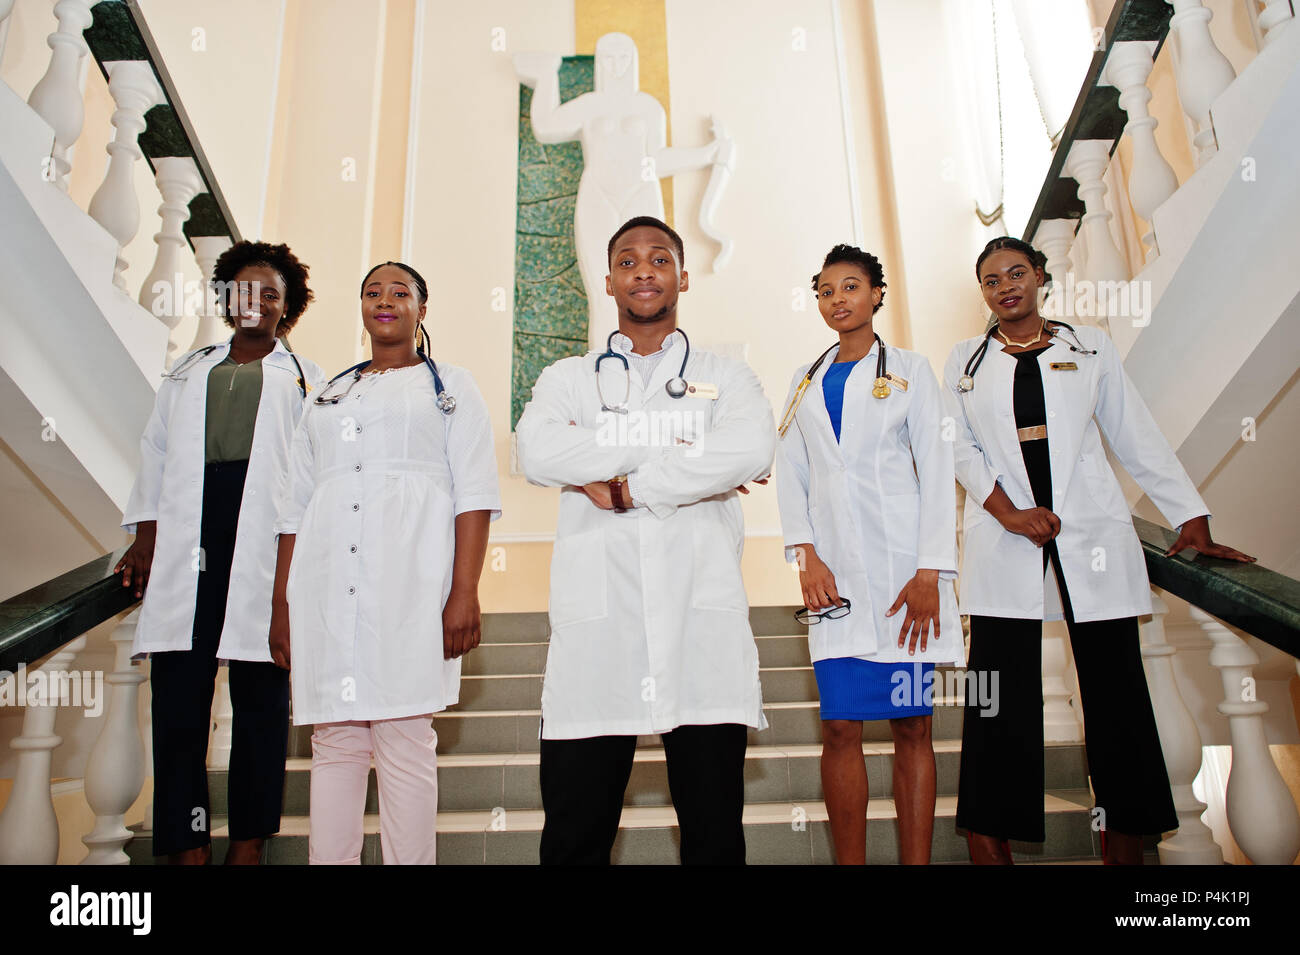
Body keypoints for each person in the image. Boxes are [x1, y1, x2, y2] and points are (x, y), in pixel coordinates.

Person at [942, 236, 1254, 865]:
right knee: (999, 694)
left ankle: (1126, 841)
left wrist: (1190, 517)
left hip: (1092, 539)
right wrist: (1008, 513)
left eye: (1017, 273)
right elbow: (958, 445)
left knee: (1117, 697)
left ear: (1039, 279)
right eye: (991, 279)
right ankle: (988, 837)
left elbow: (1134, 432)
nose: (1006, 286)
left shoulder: (1090, 349)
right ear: (984, 292)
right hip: (1005, 542)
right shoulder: (963, 362)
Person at [516, 215, 775, 865]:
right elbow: (536, 448)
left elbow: (751, 445)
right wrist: (683, 446)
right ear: (608, 281)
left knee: (715, 835)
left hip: (699, 624)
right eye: (628, 261)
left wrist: (625, 484)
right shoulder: (568, 378)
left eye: (659, 258)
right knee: (575, 834)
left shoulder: (727, 374)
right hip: (598, 634)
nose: (644, 270)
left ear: (682, 276)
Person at [270, 262, 499, 865]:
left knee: (404, 741)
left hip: (411, 586)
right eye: (373, 291)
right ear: (362, 308)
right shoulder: (327, 393)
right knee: (335, 743)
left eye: (401, 292)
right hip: (323, 587)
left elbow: (474, 491)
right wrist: (282, 604)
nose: (385, 300)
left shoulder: (450, 386)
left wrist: (464, 592)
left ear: (424, 308)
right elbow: (294, 506)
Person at [117, 240, 325, 864]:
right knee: (181, 697)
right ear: (226, 297)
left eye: (271, 293)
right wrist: (145, 535)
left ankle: (248, 839)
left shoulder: (308, 380)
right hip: (192, 532)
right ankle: (187, 840)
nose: (255, 302)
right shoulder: (187, 370)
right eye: (244, 290)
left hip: (265, 538)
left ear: (287, 308)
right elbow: (156, 452)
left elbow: (314, 473)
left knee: (262, 697)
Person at [775, 244, 959, 865]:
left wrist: (931, 569)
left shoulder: (911, 369)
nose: (837, 300)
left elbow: (937, 470)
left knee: (912, 726)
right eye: (825, 291)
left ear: (877, 294)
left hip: (907, 575)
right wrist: (806, 556)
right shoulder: (804, 380)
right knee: (839, 727)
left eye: (850, 287)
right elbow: (791, 472)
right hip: (835, 580)